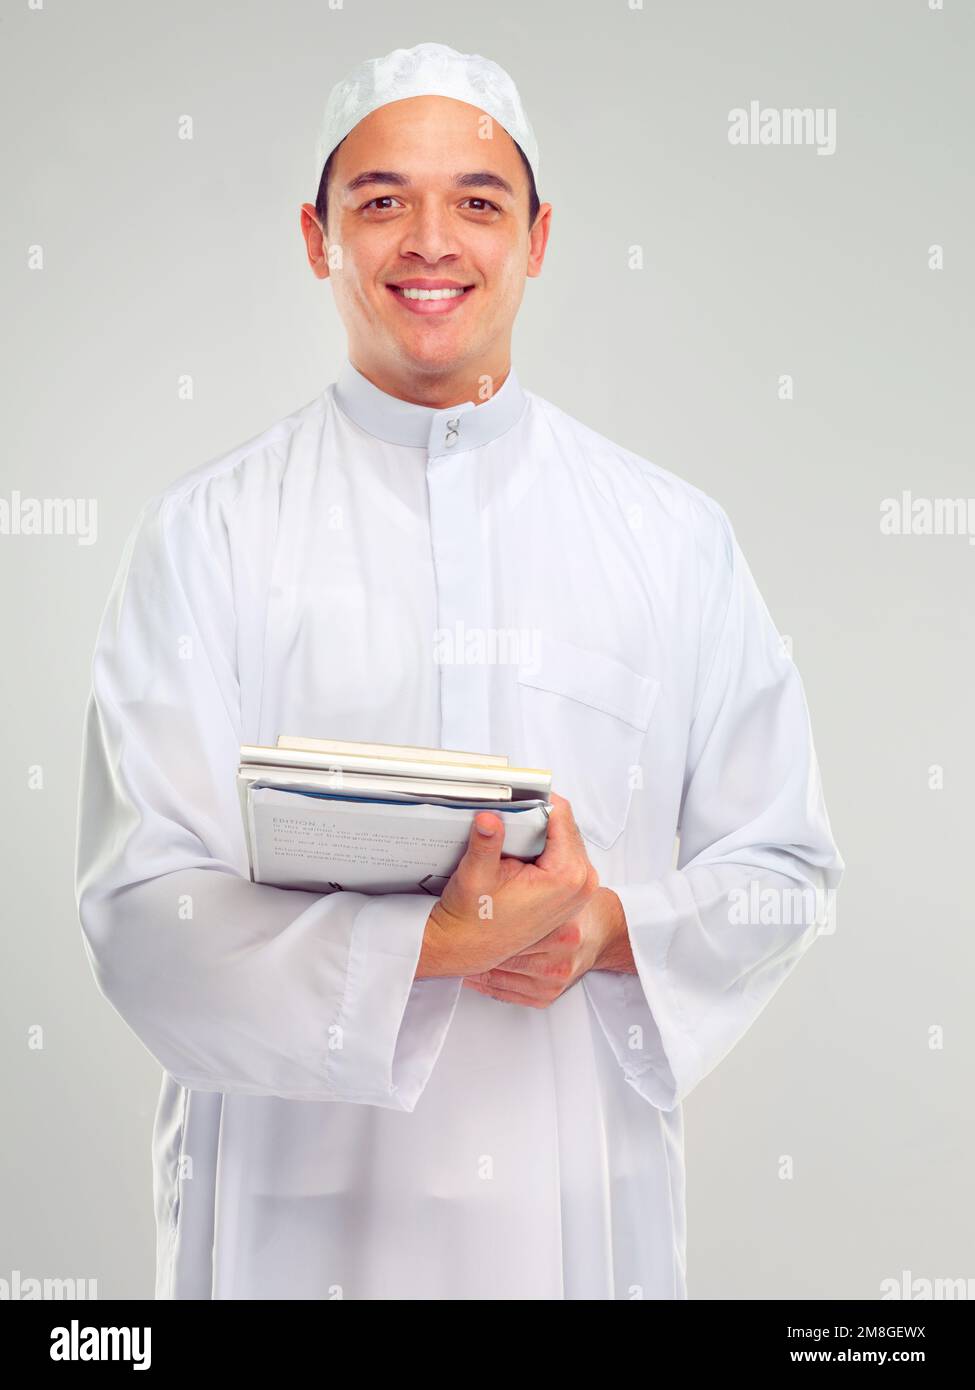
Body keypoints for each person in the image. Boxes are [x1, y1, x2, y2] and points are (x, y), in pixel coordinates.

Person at [74, 41, 844, 1300]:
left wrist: (603, 931)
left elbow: (785, 868)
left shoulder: (670, 537)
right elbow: (139, 915)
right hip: (287, 1225)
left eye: (477, 201)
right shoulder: (208, 533)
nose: (430, 240)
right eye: (381, 200)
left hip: (574, 1216)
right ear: (317, 237)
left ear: (538, 238)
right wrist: (434, 943)